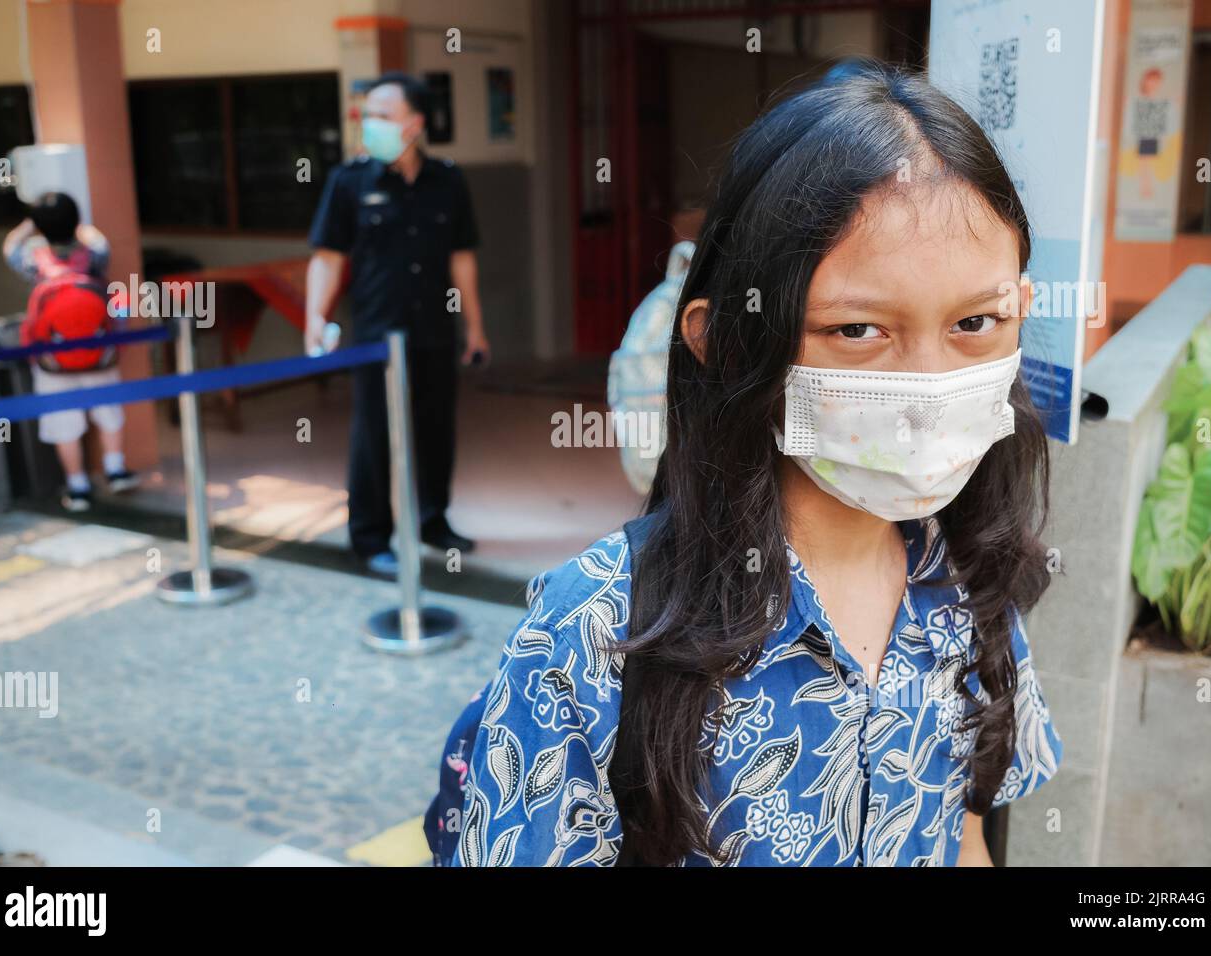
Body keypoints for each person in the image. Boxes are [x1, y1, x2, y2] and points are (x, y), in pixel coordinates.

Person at [441, 61, 1063, 866]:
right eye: (859, 330)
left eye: (976, 320)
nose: (930, 386)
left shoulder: (974, 588)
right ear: (725, 339)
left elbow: (967, 837)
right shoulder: (595, 632)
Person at [306, 71, 488, 577]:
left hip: (434, 329)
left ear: (414, 124)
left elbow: (462, 258)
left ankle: (433, 521)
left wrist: (475, 327)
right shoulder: (350, 181)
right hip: (375, 337)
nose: (370, 123)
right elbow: (326, 258)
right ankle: (369, 538)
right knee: (372, 437)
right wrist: (313, 321)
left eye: (383, 115)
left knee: (435, 431)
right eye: (367, 114)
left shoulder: (448, 180)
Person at [3, 192, 139, 513]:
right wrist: (81, 225)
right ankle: (115, 469)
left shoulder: (32, 260)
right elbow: (97, 238)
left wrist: (29, 224)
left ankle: (78, 487)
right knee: (109, 412)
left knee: (63, 422)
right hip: (98, 353)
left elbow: (9, 248)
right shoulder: (94, 257)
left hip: (52, 359)